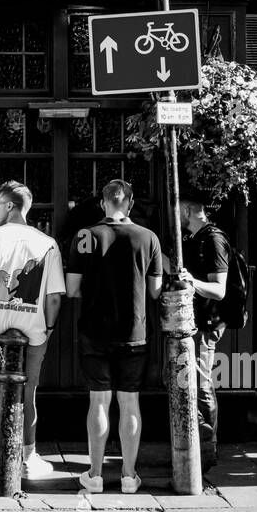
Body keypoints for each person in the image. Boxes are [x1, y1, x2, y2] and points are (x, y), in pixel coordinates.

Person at [0, 180, 66, 480]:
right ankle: (28, 457)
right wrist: (48, 328)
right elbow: (55, 297)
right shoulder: (46, 243)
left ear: (9, 206)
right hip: (33, 327)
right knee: (28, 393)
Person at [66, 180, 162, 494]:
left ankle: (94, 475)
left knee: (99, 402)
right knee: (130, 403)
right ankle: (129, 475)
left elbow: (72, 289)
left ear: (103, 203)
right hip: (134, 332)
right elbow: (155, 290)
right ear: (131, 203)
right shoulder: (148, 238)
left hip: (94, 330)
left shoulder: (85, 236)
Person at [178, 196, 234, 470]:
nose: (175, 217)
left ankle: (207, 450)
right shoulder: (194, 238)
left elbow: (219, 290)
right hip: (196, 321)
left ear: (188, 209)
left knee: (201, 384)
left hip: (207, 322)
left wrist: (192, 281)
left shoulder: (213, 239)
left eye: (177, 211)